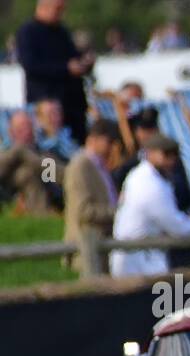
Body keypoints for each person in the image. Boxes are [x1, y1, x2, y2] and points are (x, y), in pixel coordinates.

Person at [110, 134, 190, 277]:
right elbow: (173, 223)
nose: (171, 160)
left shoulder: (145, 175)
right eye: (166, 155)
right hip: (137, 257)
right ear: (150, 154)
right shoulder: (149, 183)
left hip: (145, 253)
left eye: (174, 155)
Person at [15, 0, 93, 145]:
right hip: (46, 101)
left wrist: (84, 63)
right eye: (57, 9)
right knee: (50, 155)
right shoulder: (28, 32)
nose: (60, 14)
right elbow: (31, 65)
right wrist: (65, 68)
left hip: (72, 104)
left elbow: (74, 58)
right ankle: (49, 169)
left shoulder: (61, 32)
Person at [62, 117, 119, 272]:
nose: (112, 148)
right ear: (95, 139)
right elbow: (84, 211)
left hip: (102, 248)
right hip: (87, 250)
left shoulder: (99, 165)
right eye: (109, 142)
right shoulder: (80, 166)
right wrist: (119, 213)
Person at [0, 112, 57, 214]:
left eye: (28, 127)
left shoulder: (44, 153)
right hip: (8, 196)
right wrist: (18, 151)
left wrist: (27, 155)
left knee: (27, 173)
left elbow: (53, 180)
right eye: (21, 128)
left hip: (45, 195)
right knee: (25, 173)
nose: (26, 131)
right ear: (11, 132)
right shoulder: (4, 152)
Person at [34, 98, 77, 163]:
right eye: (49, 115)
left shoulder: (71, 140)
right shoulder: (36, 149)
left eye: (57, 113)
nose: (54, 118)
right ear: (40, 119)